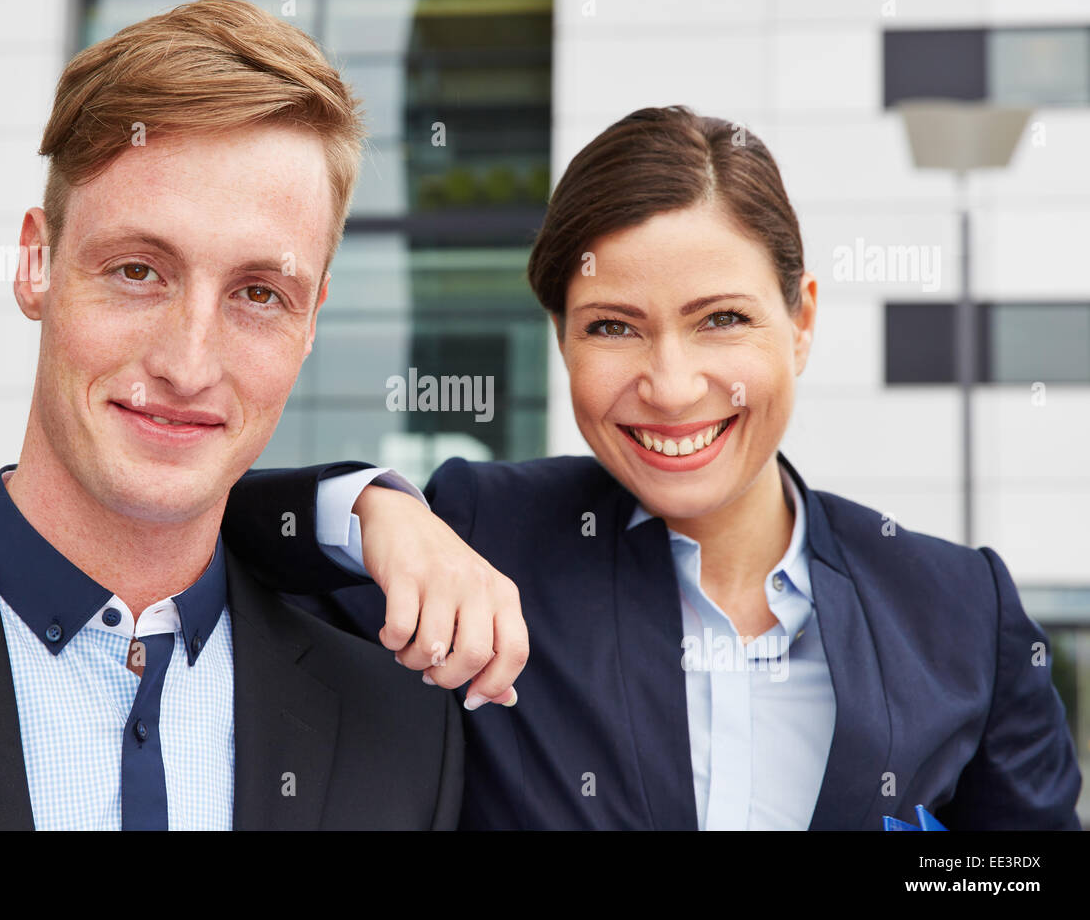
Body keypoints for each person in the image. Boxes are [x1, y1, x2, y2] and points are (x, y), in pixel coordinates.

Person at [223, 106, 1083, 829]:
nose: (671, 388)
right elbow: (223, 531)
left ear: (802, 321)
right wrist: (378, 509)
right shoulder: (481, 533)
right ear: (562, 340)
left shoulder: (961, 610)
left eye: (721, 319)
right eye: (612, 326)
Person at [0, 0, 509, 830]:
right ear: (37, 262)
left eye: (258, 294)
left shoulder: (404, 734)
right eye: (138, 271)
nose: (187, 364)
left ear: (311, 322)